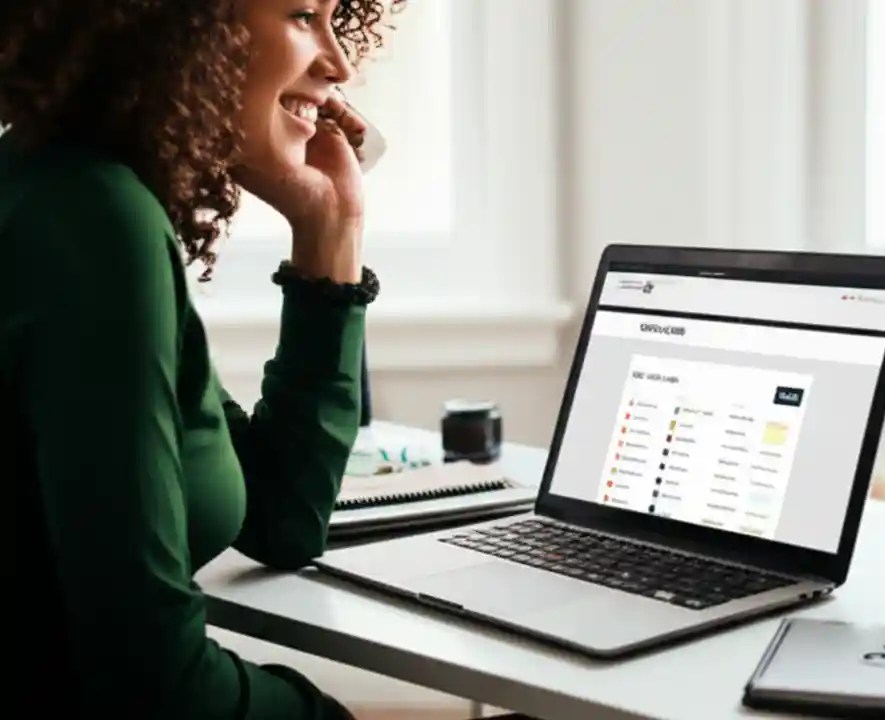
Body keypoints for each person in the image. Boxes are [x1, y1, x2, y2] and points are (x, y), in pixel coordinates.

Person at [1, 1, 538, 718]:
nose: (338, 64)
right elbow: (155, 687)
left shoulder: (59, 188)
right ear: (186, 27)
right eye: (301, 16)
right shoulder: (96, 224)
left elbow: (281, 516)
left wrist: (330, 230)